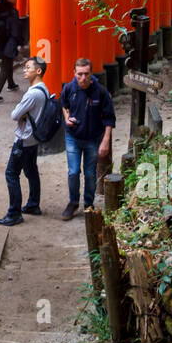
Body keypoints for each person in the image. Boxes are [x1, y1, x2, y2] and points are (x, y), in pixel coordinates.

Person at [59, 57, 116, 221]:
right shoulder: (70, 88)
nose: (83, 78)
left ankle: (88, 203)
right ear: (74, 73)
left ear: (91, 73)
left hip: (93, 138)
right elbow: (64, 104)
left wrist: (105, 141)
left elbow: (109, 118)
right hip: (73, 137)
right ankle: (73, 202)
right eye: (79, 74)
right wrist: (67, 117)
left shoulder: (101, 91)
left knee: (90, 174)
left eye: (86, 74)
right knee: (74, 172)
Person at [0, 57, 47, 226]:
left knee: (11, 174)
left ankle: (14, 213)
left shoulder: (32, 94)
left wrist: (21, 112)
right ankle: (33, 204)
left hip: (23, 140)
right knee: (31, 171)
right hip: (33, 140)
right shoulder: (44, 89)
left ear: (38, 71)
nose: (24, 70)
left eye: (28, 68)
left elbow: (14, 115)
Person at [0, 0, 22, 103]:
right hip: (10, 42)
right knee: (5, 66)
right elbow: (15, 31)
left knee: (8, 63)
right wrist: (19, 43)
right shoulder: (12, 13)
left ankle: (11, 84)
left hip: (0, 42)